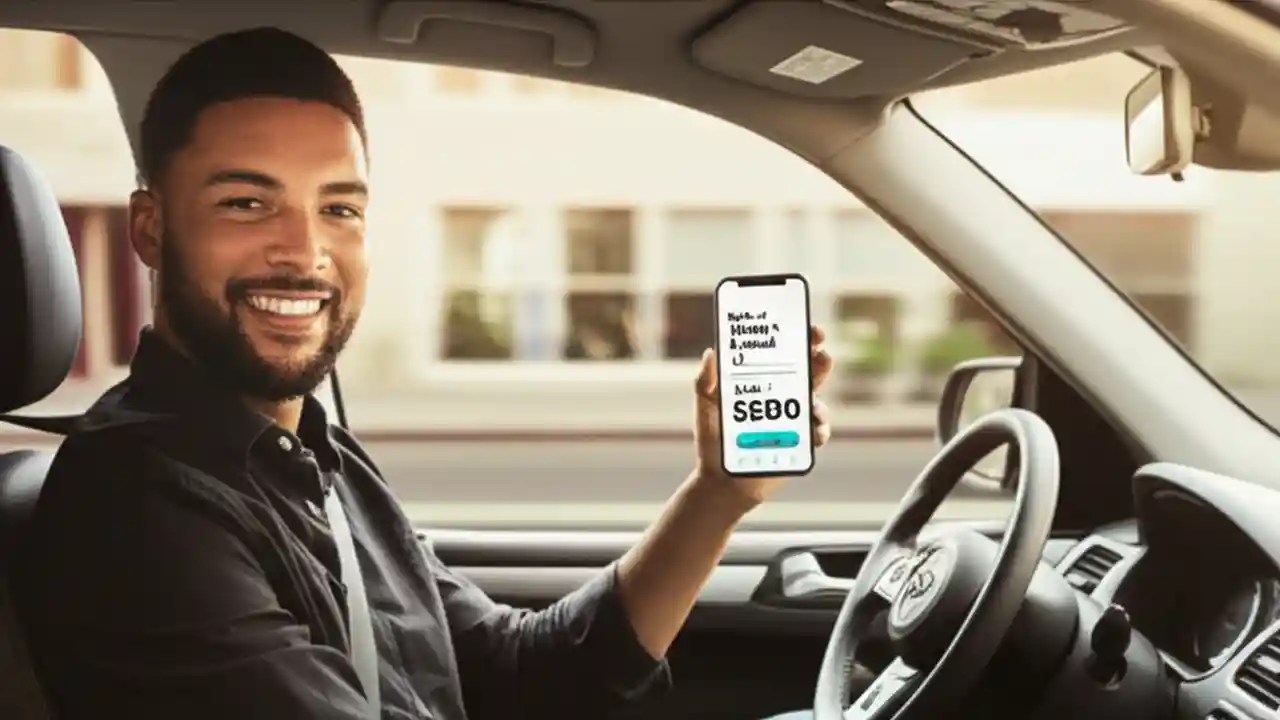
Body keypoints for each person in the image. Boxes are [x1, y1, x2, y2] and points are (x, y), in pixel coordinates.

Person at [15, 28, 833, 719]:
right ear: (151, 229)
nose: (305, 253)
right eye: (246, 204)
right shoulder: (135, 504)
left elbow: (520, 672)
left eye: (340, 209)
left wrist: (718, 494)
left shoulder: (315, 459)